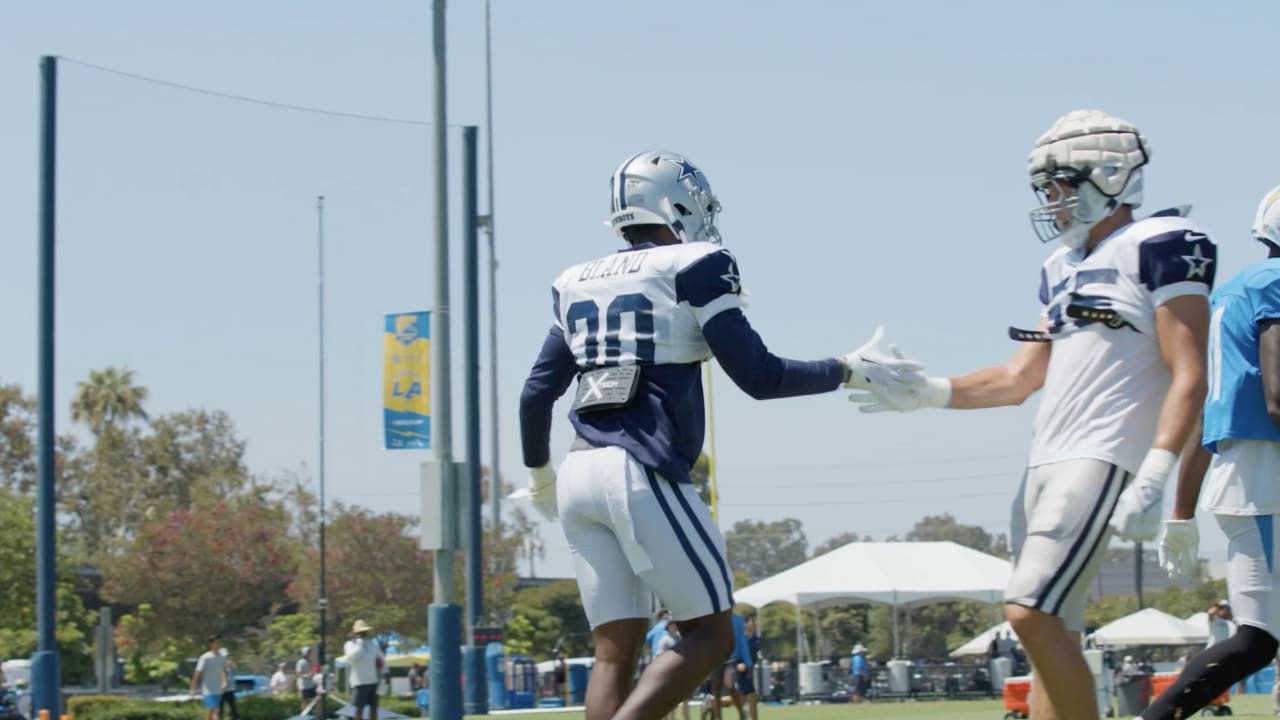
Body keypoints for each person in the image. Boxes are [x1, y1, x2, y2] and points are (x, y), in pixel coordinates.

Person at [516, 150, 923, 720]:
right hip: (640, 468)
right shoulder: (697, 263)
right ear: (675, 204)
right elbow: (760, 376)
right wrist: (847, 368)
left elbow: (537, 392)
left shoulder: (572, 281)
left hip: (577, 472)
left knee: (613, 655)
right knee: (711, 633)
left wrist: (539, 476)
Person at [850, 109, 1216, 720]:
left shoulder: (1163, 244)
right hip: (1043, 461)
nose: (1052, 202)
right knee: (1051, 634)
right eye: (1045, 189)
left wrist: (1157, 472)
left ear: (1111, 175)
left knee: (1029, 609)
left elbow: (1191, 371)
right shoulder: (1061, 268)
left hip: (1102, 456)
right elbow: (1019, 379)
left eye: (1061, 186)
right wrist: (926, 391)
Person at [1144, 186, 1280, 718]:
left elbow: (1209, 411)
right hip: (1266, 478)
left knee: (1259, 638)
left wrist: (1181, 511)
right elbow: (1277, 398)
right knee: (1257, 638)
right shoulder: (1273, 284)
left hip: (1241, 475)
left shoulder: (1234, 291)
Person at [344, 619, 384, 720]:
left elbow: (380, 659)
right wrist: (359, 644)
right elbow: (352, 658)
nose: (362, 634)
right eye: (360, 632)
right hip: (359, 682)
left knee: (374, 709)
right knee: (359, 709)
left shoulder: (373, 644)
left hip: (372, 680)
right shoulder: (350, 645)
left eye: (363, 632)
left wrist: (385, 672)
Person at [190, 635, 227, 720]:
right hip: (208, 689)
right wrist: (192, 688)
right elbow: (197, 673)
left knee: (212, 712)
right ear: (211, 644)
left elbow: (223, 670)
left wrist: (224, 682)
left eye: (219, 643)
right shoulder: (205, 657)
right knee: (213, 711)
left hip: (218, 689)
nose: (218, 644)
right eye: (216, 642)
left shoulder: (222, 657)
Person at [655, 625, 688, 720]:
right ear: (668, 627)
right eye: (672, 624)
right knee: (670, 700)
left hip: (681, 672)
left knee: (684, 699)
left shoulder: (680, 637)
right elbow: (659, 657)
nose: (674, 625)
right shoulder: (665, 640)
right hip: (669, 674)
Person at [217, 647, 241, 720]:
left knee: (233, 707)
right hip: (220, 690)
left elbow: (235, 669)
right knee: (220, 709)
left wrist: (230, 663)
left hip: (230, 689)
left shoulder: (229, 664)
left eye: (225, 655)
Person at [296, 647, 316, 712]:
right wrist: (308, 675)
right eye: (308, 652)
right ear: (304, 653)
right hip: (304, 687)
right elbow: (298, 674)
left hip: (311, 686)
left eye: (310, 652)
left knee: (315, 702)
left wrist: (313, 672)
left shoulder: (310, 661)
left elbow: (311, 672)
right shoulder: (300, 662)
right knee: (304, 704)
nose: (310, 653)